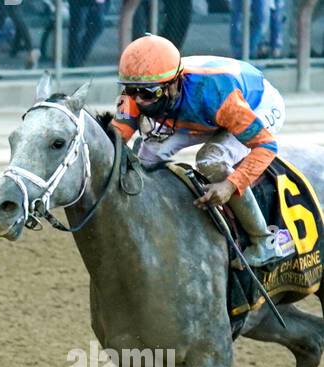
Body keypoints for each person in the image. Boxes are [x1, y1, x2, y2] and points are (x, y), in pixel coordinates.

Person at [112, 34, 290, 266]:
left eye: (147, 93)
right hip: (192, 112)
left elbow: (266, 145)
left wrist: (230, 185)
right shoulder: (135, 94)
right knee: (144, 162)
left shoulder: (217, 94)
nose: (139, 101)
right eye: (131, 91)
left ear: (174, 83)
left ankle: (263, 240)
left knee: (210, 160)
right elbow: (114, 140)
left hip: (256, 103)